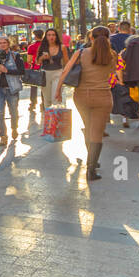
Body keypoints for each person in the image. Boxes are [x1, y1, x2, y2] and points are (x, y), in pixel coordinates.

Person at [55, 27, 116, 181]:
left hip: (81, 96)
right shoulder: (112, 55)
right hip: (103, 96)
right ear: (108, 38)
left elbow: (65, 72)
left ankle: (92, 160)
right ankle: (91, 168)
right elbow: (115, 76)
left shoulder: (81, 53)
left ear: (91, 38)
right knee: (97, 132)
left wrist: (58, 90)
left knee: (88, 127)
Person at [0, 34, 24, 146]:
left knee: (13, 112)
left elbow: (22, 71)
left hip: (12, 89)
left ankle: (14, 128)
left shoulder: (15, 55)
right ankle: (3, 136)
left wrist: (7, 70)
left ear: (8, 44)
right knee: (0, 113)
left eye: (4, 43)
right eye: (0, 43)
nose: (2, 45)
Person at [36, 30, 69, 113]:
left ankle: (57, 122)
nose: (51, 37)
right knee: (47, 100)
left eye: (53, 35)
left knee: (56, 98)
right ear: (46, 37)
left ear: (56, 36)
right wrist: (42, 58)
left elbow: (67, 62)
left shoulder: (62, 47)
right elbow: (37, 62)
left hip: (58, 73)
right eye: (49, 35)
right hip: (45, 74)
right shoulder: (42, 47)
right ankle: (49, 122)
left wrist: (65, 74)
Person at [26, 29, 44, 120]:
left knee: (33, 87)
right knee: (44, 87)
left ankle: (33, 104)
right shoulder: (46, 46)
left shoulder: (31, 47)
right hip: (45, 69)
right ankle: (43, 104)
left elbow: (29, 60)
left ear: (35, 36)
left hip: (35, 69)